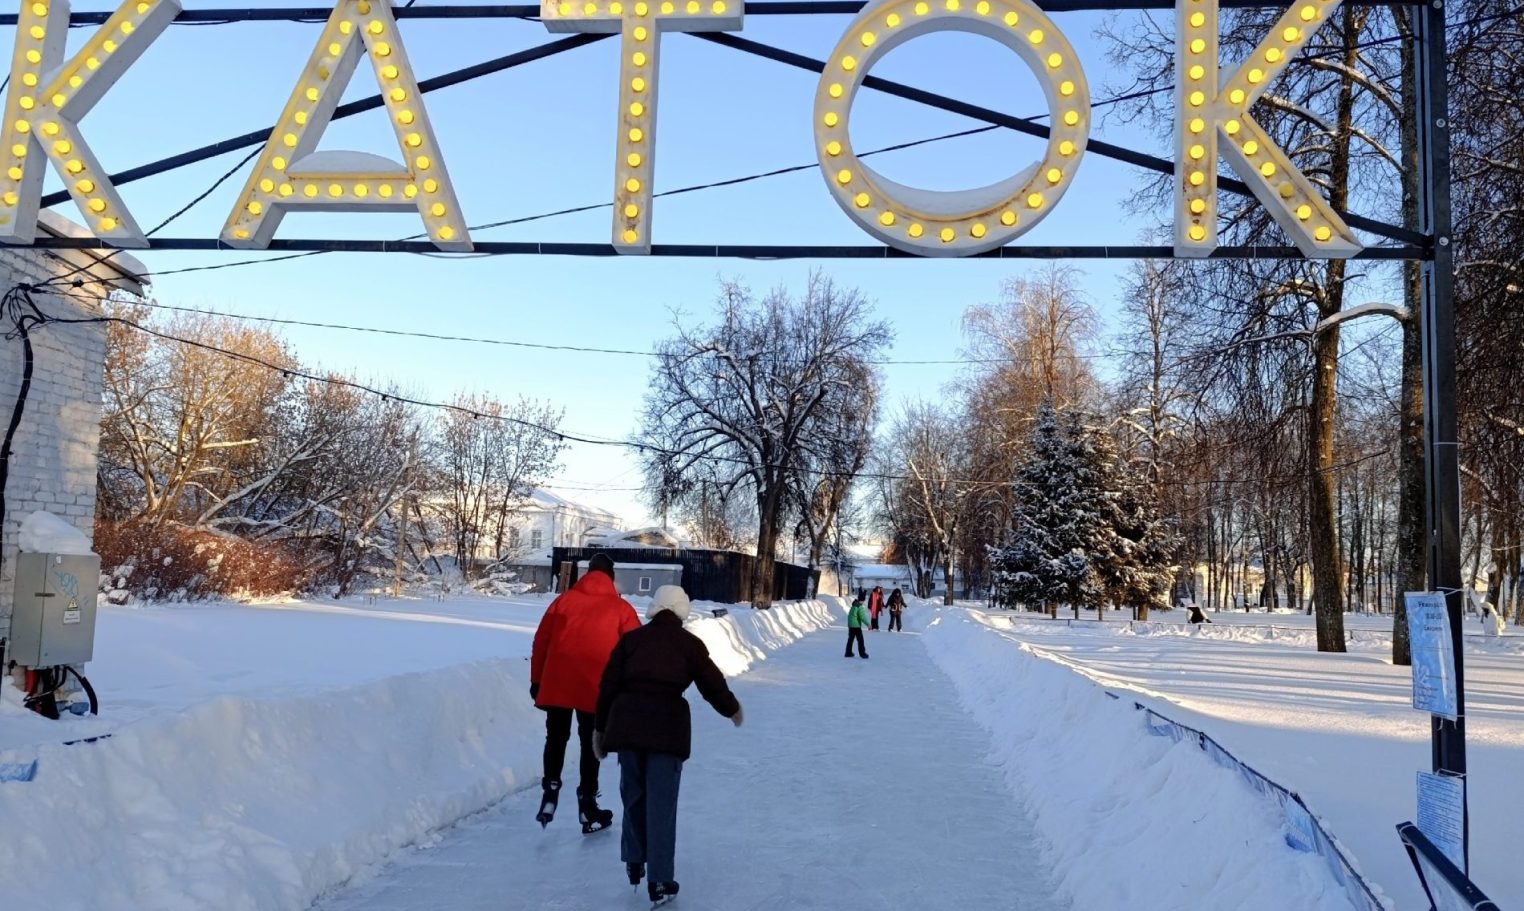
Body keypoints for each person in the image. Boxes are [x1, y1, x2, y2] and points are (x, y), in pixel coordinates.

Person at [593, 585, 743, 907]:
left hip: (628, 727)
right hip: (666, 732)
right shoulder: (688, 644)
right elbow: (710, 682)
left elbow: (608, 685)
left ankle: (635, 862)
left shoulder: (631, 640)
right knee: (660, 806)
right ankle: (659, 880)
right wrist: (731, 709)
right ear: (681, 610)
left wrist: (600, 730)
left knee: (633, 797)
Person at [530, 552, 641, 833]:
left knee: (556, 736)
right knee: (591, 742)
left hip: (558, 682)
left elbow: (541, 642)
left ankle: (551, 788)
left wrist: (536, 680)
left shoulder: (563, 601)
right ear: (611, 577)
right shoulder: (621, 609)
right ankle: (587, 804)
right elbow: (634, 650)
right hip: (596, 687)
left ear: (587, 574)